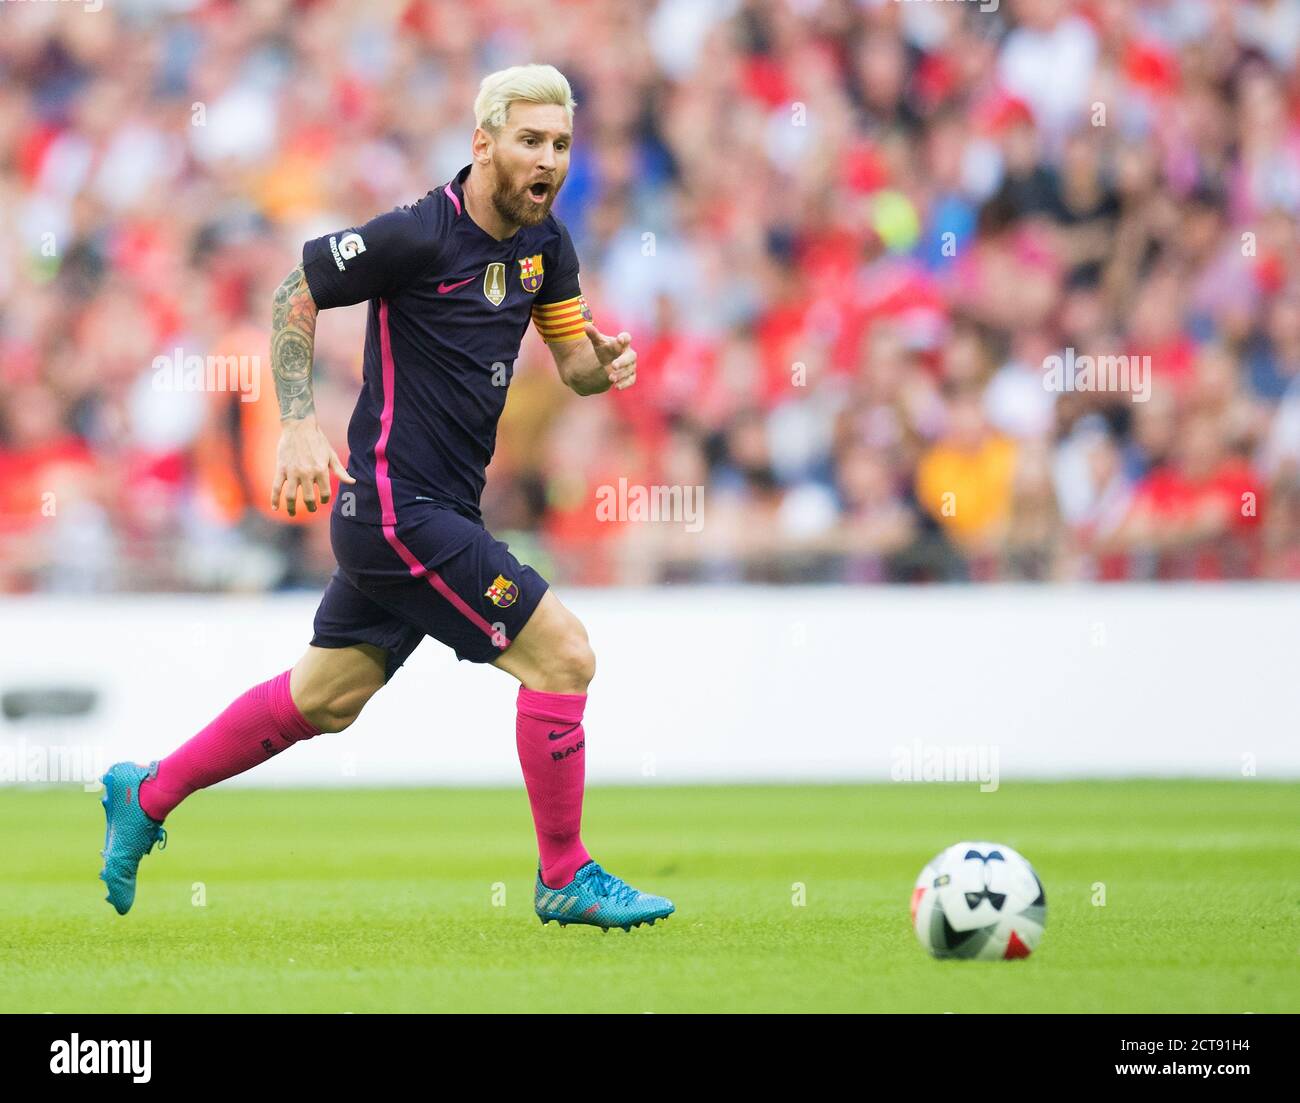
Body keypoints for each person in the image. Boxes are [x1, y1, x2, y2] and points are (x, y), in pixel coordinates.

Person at [97, 64, 674, 933]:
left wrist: (607, 364)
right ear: (483, 144)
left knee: (324, 698)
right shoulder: (417, 235)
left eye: (559, 142)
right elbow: (296, 291)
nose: (547, 158)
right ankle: (565, 872)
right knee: (564, 655)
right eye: (529, 141)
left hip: (434, 512)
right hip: (400, 511)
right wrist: (296, 423)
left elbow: (575, 365)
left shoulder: (546, 244)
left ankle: (147, 791)